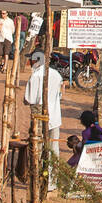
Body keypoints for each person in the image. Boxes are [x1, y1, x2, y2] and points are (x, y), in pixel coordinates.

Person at [24, 51, 63, 189]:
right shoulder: (56, 75)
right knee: (53, 149)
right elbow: (60, 95)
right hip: (55, 117)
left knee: (38, 149)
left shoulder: (36, 76)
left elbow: (29, 99)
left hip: (40, 118)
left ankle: (38, 180)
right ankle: (52, 181)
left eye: (31, 60)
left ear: (36, 61)